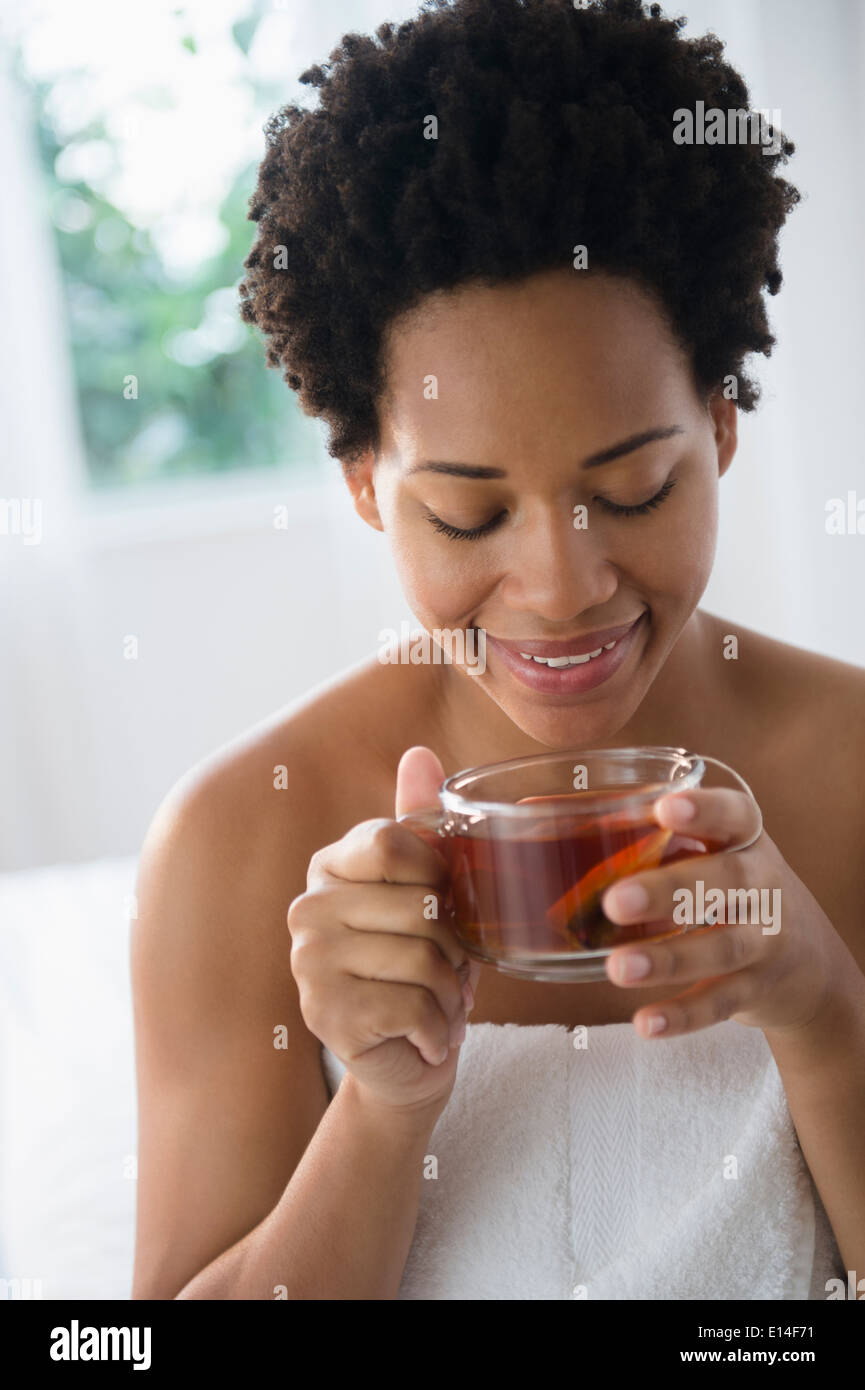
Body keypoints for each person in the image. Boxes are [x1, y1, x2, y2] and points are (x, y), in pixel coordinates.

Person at [130, 0, 865, 1300]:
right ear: (363, 485)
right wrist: (380, 1109)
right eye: (467, 511)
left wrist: (823, 1016)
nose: (562, 587)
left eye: (633, 488)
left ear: (720, 429)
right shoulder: (236, 839)